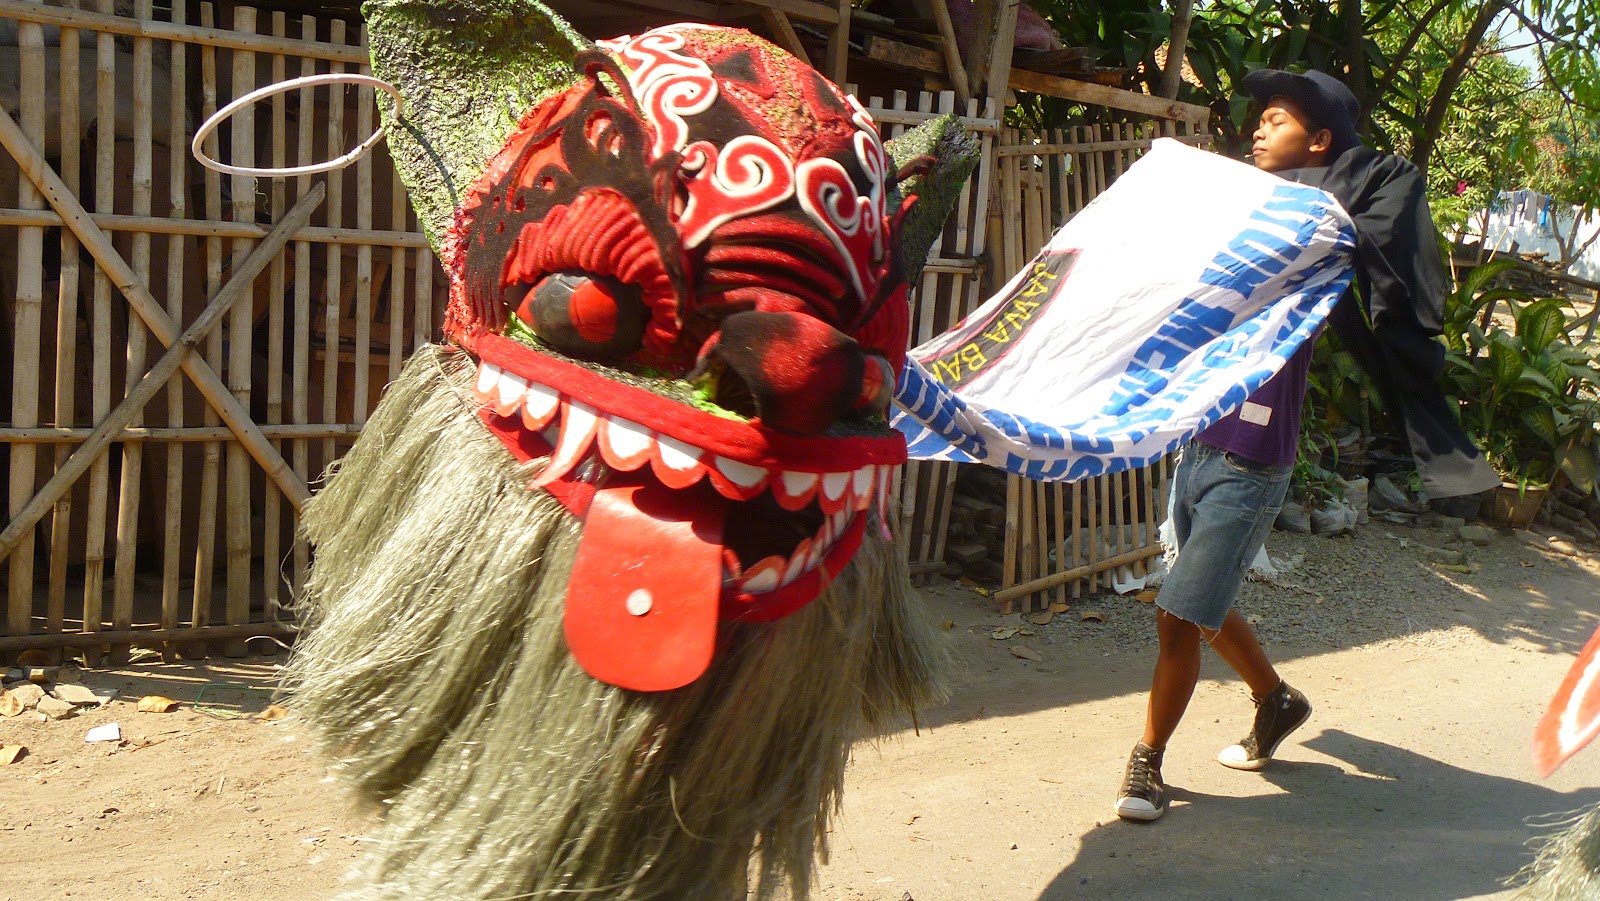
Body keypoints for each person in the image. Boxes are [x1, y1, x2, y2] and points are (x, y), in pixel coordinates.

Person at [1114, 68, 1500, 823]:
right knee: (1204, 598)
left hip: (1254, 458)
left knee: (1178, 613)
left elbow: (1385, 209)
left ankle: (1147, 763)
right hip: (1199, 441)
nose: (1258, 127)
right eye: (1258, 118)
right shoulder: (1248, 214)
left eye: (1279, 119)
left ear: (1319, 140)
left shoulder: (1322, 229)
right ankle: (1276, 698)